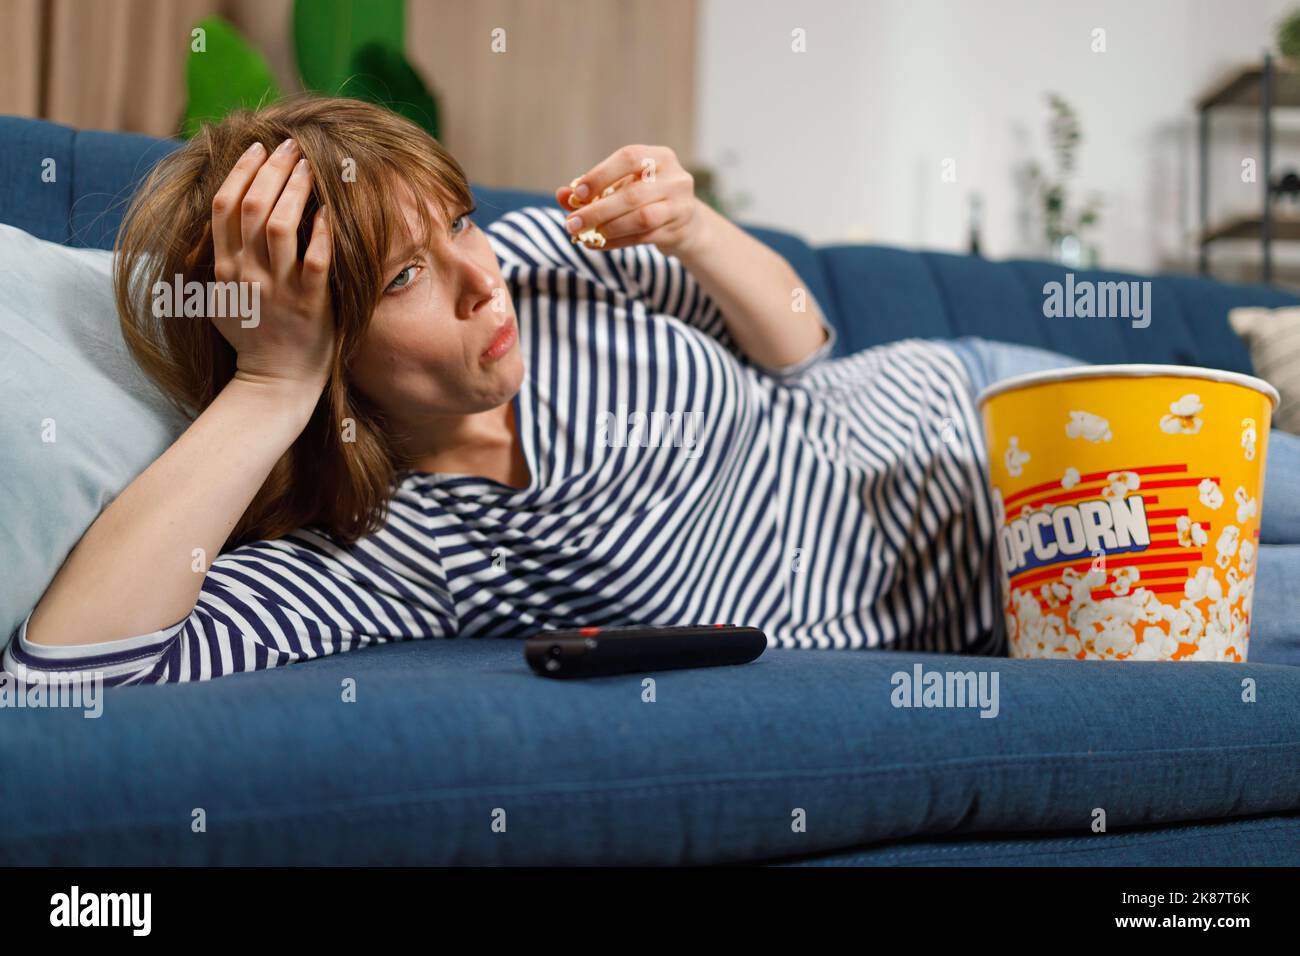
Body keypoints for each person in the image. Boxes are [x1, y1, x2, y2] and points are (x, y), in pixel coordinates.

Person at [5, 95, 1297, 684]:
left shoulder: (526, 261)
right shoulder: (401, 551)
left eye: (457, 218)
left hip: (968, 397)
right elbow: (66, 672)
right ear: (321, 355)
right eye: (407, 273)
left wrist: (694, 229)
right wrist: (271, 385)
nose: (481, 275)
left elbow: (806, 348)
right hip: (1029, 567)